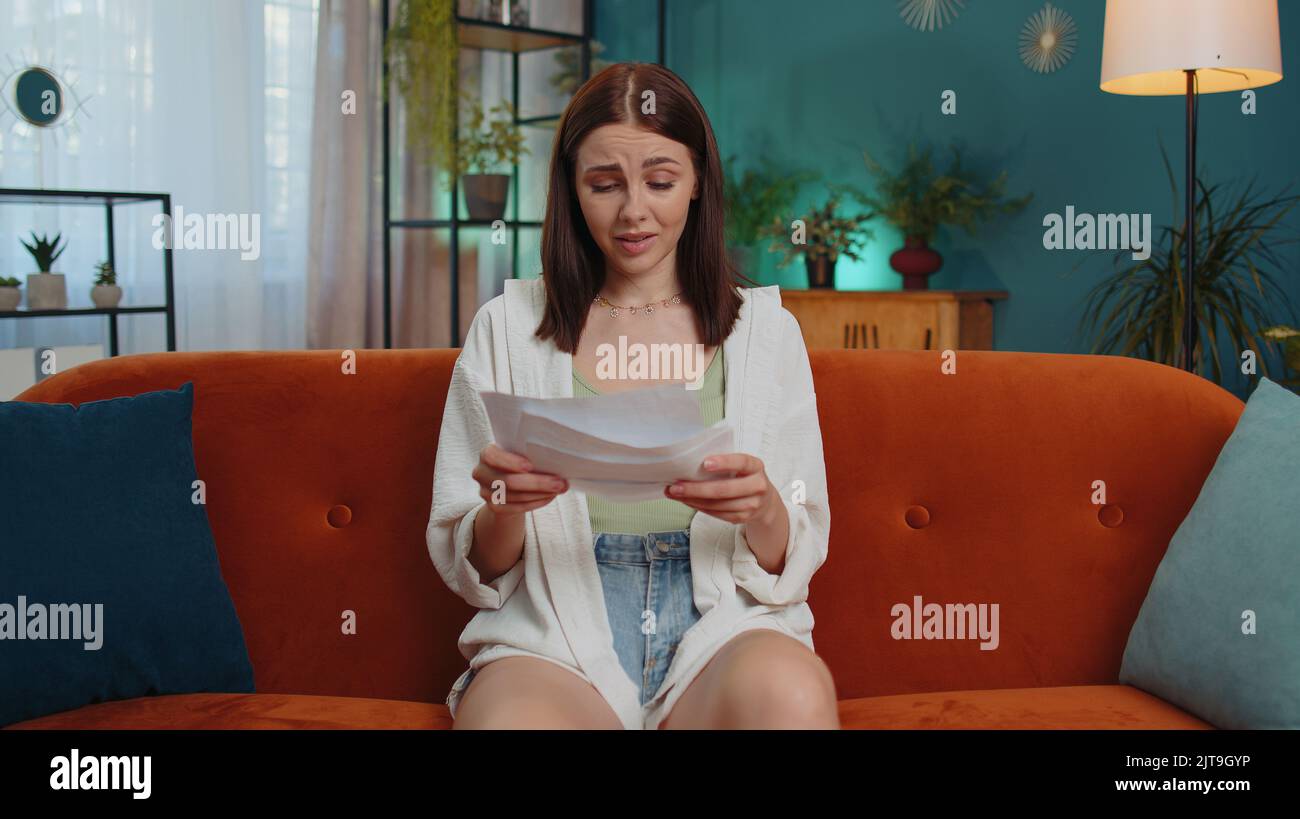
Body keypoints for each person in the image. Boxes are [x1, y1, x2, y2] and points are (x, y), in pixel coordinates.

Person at [426, 62, 836, 729]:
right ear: (570, 188)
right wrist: (504, 505)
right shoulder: (505, 327)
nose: (633, 211)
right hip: (554, 637)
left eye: (662, 181)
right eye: (604, 185)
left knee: (792, 697)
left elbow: (795, 548)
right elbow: (475, 565)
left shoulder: (767, 333)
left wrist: (762, 508)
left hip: (722, 630)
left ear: (699, 181)